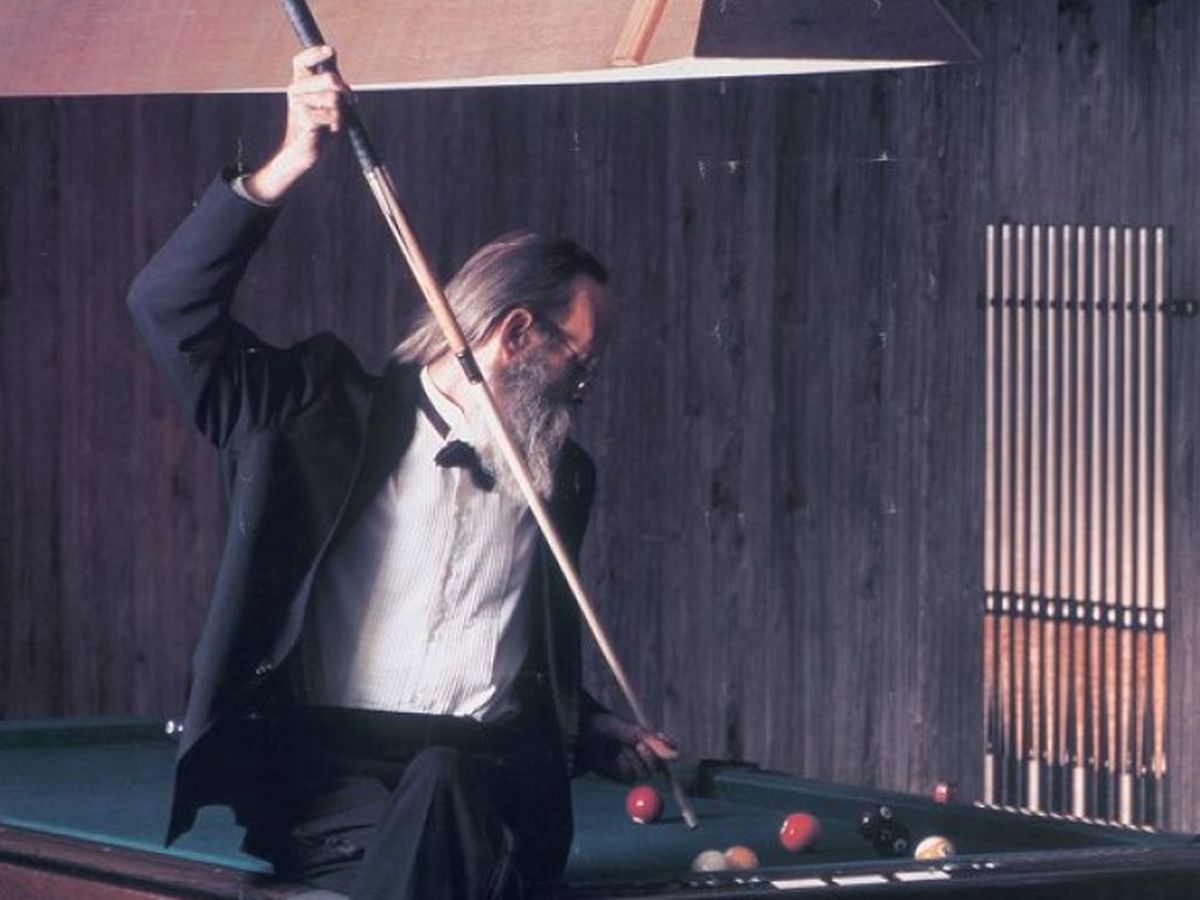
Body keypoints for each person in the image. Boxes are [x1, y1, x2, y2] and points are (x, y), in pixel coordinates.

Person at [127, 44, 677, 900]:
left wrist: (594, 724)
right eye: (580, 362)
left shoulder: (562, 475)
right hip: (329, 785)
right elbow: (168, 309)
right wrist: (287, 163)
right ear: (516, 334)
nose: (586, 390)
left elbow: (523, 654)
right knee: (440, 798)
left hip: (488, 777)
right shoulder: (311, 410)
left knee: (448, 787)